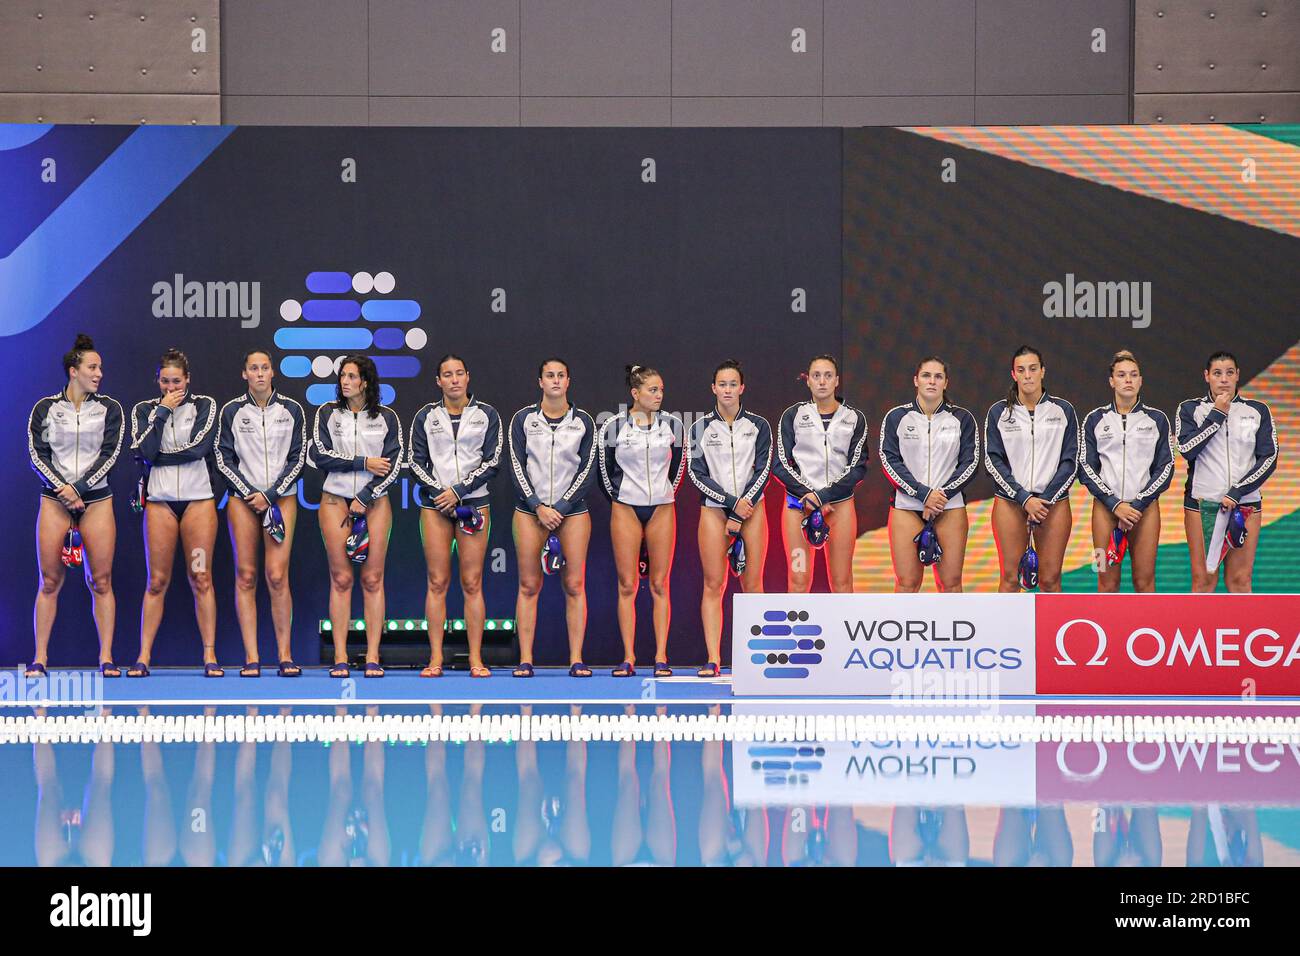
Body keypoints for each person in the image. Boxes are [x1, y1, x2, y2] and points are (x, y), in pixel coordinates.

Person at [27, 334, 124, 677]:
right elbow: (36, 455)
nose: (99, 373)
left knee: (101, 580)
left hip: (96, 500)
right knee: (49, 581)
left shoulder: (110, 408)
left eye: (100, 368)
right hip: (55, 501)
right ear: (74, 371)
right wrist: (63, 489)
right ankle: (39, 658)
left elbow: (111, 454)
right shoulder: (45, 408)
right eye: (92, 367)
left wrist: (79, 488)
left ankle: (106, 657)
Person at [407, 354, 502, 678]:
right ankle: (435, 659)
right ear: (439, 381)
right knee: (437, 581)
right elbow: (416, 462)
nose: (454, 379)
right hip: (436, 506)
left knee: (472, 582)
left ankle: (476, 659)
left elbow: (493, 461)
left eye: (459, 373)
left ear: (468, 377)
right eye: (447, 374)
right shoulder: (425, 416)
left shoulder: (487, 415)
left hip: (473, 504)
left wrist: (459, 491)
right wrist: (440, 493)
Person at [128, 348, 221, 676]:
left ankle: (209, 655)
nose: (171, 389)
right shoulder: (145, 410)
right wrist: (163, 414)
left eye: (177, 382)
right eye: (165, 382)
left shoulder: (205, 406)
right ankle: (144, 656)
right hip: (161, 504)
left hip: (197, 503)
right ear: (158, 381)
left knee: (201, 577)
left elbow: (200, 448)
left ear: (188, 380)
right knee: (156, 580)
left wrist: (157, 457)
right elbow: (141, 451)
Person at [214, 349, 307, 676]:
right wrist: (249, 492)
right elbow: (223, 459)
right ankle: (251, 657)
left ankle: (285, 655)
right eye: (253, 368)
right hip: (243, 499)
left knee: (277, 576)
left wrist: (270, 494)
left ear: (272, 373)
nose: (259, 373)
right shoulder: (232, 412)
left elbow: (298, 458)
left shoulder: (292, 410)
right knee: (246, 575)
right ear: (245, 374)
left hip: (281, 499)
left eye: (264, 368)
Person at [311, 356, 403, 677]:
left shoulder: (387, 418)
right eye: (342, 376)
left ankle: (372, 656)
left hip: (374, 503)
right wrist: (363, 462)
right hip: (335, 500)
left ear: (365, 382)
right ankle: (339, 656)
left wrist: (365, 495)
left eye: (351, 376)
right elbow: (319, 455)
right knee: (341, 578)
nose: (345, 382)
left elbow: (391, 467)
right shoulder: (327, 413)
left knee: (372, 579)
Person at [507, 358, 598, 678]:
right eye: (550, 375)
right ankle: (526, 659)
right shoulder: (523, 419)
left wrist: (561, 504)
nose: (556, 380)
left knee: (574, 584)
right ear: (540, 382)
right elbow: (516, 465)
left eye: (561, 375)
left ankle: (576, 658)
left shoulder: (584, 421)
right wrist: (537, 505)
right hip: (530, 512)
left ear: (568, 381)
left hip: (572, 512)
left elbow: (587, 469)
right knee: (529, 584)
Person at [598, 365, 687, 677]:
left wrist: (663, 496)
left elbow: (678, 468)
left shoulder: (673, 424)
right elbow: (604, 470)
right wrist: (622, 499)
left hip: (662, 508)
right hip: (625, 508)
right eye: (652, 390)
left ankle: (661, 657)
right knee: (627, 585)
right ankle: (629, 657)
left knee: (660, 584)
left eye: (661, 389)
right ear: (635, 394)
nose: (659, 395)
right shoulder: (612, 425)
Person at [688, 359, 771, 677]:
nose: (727, 389)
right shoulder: (698, 428)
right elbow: (696, 474)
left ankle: (756, 661)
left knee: (753, 584)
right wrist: (730, 504)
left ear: (742, 388)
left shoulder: (759, 426)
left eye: (732, 384)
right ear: (713, 388)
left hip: (753, 509)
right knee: (714, 584)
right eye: (721, 384)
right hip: (714, 509)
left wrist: (744, 505)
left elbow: (764, 468)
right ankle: (713, 659)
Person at [1175, 351, 1277, 593]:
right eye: (1217, 373)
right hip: (1203, 504)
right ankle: (1201, 631)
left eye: (1229, 373)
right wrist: (1217, 414)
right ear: (1207, 376)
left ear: (1238, 376)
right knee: (1204, 581)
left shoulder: (1257, 410)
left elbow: (1269, 457)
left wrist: (1238, 491)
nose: (1224, 379)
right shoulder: (1190, 409)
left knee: (1240, 581)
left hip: (1246, 504)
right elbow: (1188, 449)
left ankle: (1241, 631)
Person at [879, 356, 979, 593]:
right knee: (907, 584)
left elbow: (970, 462)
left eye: (938, 377)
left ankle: (953, 630)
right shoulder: (896, 417)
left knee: (951, 583)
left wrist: (940, 496)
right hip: (906, 507)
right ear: (916, 380)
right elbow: (889, 460)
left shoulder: (962, 418)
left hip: (950, 506)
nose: (931, 381)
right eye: (926, 375)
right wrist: (924, 495)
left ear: (946, 383)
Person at [984, 345, 1078, 593]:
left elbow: (1070, 461)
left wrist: (1044, 500)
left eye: (1033, 369)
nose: (1028, 375)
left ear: (1042, 371)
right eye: (1021, 370)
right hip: (1011, 502)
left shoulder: (1063, 411)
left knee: (1050, 579)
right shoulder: (999, 413)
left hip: (1053, 504)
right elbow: (993, 461)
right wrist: (1024, 499)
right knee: (1010, 579)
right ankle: (1005, 633)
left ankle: (1051, 633)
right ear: (1013, 375)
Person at [1078, 350, 1174, 592]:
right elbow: (1085, 467)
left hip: (1145, 511)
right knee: (1104, 580)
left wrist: (1138, 505)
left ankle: (1146, 630)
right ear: (1112, 381)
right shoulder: (1094, 419)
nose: (1128, 380)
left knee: (1145, 580)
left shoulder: (1157, 419)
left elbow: (1165, 468)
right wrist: (1113, 503)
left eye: (1133, 375)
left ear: (1141, 380)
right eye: (1121, 375)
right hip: (1104, 510)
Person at [771, 355, 869, 594]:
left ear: (837, 380)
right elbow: (780, 464)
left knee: (842, 581)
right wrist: (810, 495)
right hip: (798, 506)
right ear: (808, 381)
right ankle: (800, 631)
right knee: (798, 580)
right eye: (816, 376)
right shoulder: (792, 416)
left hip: (839, 507)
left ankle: (842, 632)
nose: (822, 381)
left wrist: (824, 496)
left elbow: (858, 467)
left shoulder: (854, 418)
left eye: (828, 376)